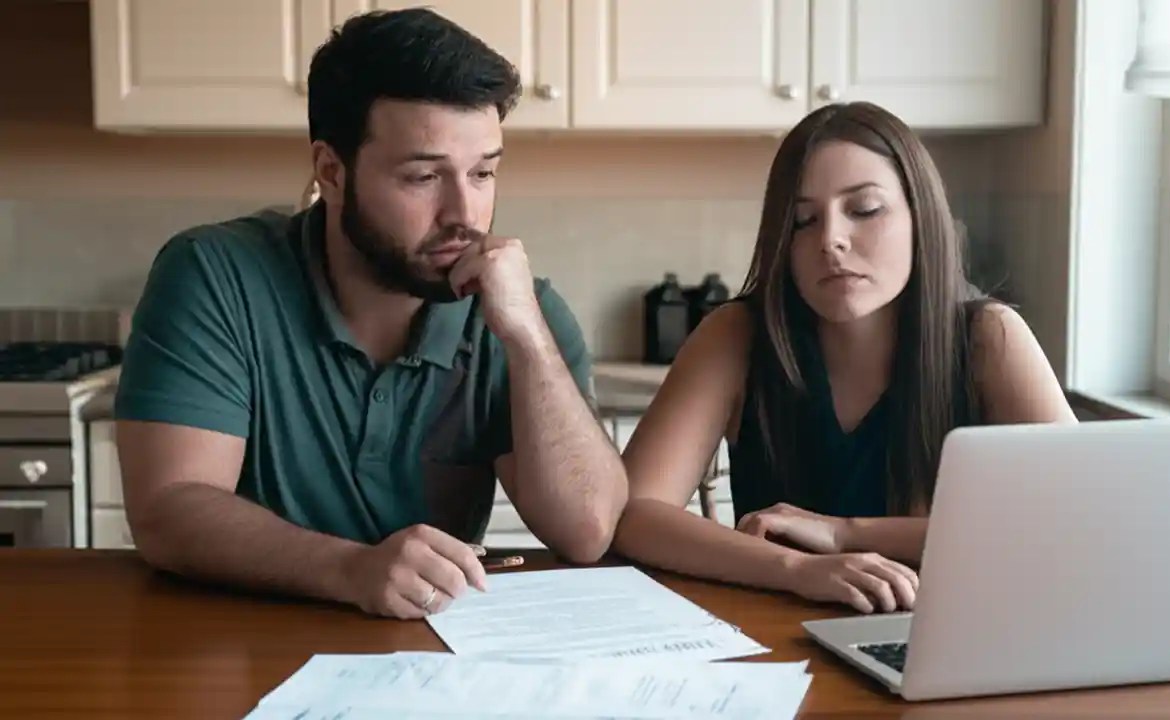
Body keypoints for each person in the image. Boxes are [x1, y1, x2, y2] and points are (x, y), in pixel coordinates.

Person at [113, 8, 627, 619]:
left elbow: (587, 530)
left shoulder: (525, 311)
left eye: (484, 172)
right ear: (332, 171)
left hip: (430, 660)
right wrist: (351, 569)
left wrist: (527, 340)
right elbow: (170, 509)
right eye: (423, 176)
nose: (464, 213)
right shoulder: (215, 274)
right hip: (236, 643)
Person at [612, 102, 1077, 614]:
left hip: (951, 638)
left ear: (921, 217)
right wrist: (798, 569)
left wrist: (843, 534)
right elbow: (635, 514)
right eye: (803, 221)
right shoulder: (735, 335)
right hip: (772, 644)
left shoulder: (990, 338)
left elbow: (1074, 522)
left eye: (865, 210)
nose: (831, 240)